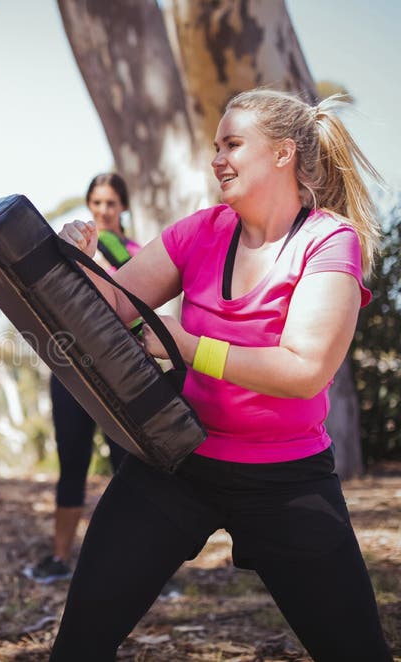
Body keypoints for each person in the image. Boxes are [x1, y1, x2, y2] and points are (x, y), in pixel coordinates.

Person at [50, 88, 391, 660]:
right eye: (216, 146)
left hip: (287, 478)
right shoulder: (201, 230)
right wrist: (82, 263)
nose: (218, 158)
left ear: (283, 154)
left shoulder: (328, 241)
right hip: (176, 464)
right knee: (79, 645)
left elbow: (304, 370)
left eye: (233, 144)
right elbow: (113, 308)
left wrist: (190, 347)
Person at [23, 173, 136, 584]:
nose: (103, 211)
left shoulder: (137, 253)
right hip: (72, 372)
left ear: (123, 206)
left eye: (110, 203)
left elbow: (133, 306)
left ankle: (139, 559)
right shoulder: (70, 254)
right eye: (96, 203)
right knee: (72, 463)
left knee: (128, 468)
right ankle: (58, 557)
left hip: (120, 374)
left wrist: (98, 257)